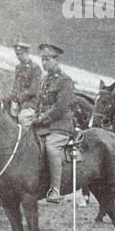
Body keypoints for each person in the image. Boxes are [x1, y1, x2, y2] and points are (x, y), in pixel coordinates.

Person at [32, 43, 76, 204]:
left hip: (60, 126)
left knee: (51, 147)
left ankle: (55, 190)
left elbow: (61, 107)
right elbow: (40, 103)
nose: (44, 63)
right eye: (42, 60)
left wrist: (43, 118)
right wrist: (35, 117)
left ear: (56, 60)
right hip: (43, 125)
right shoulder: (45, 79)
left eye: (47, 60)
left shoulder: (65, 80)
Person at [9, 41, 42, 127]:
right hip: (17, 101)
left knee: (23, 118)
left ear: (27, 53)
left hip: (29, 103)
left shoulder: (35, 68)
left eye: (21, 54)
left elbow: (33, 90)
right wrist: (13, 97)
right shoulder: (18, 67)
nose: (18, 57)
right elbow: (16, 86)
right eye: (17, 54)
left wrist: (19, 98)